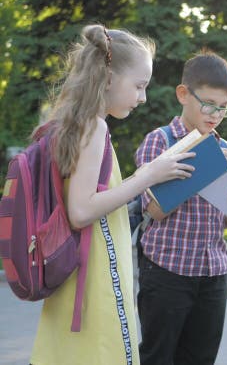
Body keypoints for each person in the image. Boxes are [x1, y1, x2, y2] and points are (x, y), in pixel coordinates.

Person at [30, 25, 194, 365]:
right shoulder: (95, 127)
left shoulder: (76, 122)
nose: (143, 97)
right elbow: (80, 210)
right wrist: (147, 175)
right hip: (95, 276)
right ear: (108, 77)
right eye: (139, 85)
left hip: (78, 274)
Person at [135, 51, 227, 365]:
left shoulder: (226, 149)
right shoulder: (159, 142)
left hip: (213, 271)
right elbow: (154, 211)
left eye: (223, 107)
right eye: (208, 104)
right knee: (158, 355)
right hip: (166, 269)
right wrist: (200, 169)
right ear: (183, 94)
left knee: (201, 358)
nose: (215, 114)